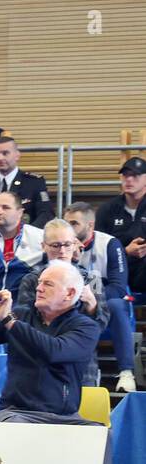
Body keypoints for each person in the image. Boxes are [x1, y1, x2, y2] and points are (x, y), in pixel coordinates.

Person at [0, 263, 101, 424]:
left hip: (64, 417)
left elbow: (54, 351)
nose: (39, 288)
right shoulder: (21, 315)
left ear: (69, 293)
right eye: (39, 282)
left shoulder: (87, 327)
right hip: (17, 412)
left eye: (48, 284)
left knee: (103, 435)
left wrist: (9, 320)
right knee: (16, 428)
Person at [13, 219, 108, 386]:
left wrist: (93, 306)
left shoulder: (92, 278)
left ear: (76, 244)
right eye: (55, 245)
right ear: (44, 246)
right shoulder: (32, 279)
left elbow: (102, 324)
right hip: (39, 359)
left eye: (67, 244)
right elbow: (23, 321)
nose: (62, 251)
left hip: (81, 364)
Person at [66, 201, 136, 391]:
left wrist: (93, 299)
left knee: (115, 304)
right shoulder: (63, 246)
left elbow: (119, 287)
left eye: (74, 223)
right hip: (72, 303)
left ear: (90, 225)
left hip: (104, 302)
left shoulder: (110, 244)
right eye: (67, 223)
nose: (69, 228)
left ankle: (126, 372)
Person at [95, 156, 146, 295]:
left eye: (135, 175)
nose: (129, 179)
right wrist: (125, 252)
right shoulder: (107, 209)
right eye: (125, 175)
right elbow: (96, 250)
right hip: (116, 270)